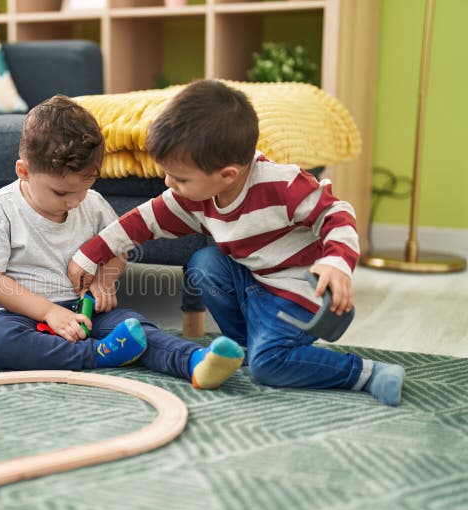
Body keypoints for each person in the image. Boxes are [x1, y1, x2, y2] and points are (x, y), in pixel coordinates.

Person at [68, 80, 406, 406]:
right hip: (252, 282)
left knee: (269, 366)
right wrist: (90, 254)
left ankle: (365, 373)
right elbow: (143, 221)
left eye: (180, 178)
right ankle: (246, 344)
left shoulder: (281, 184)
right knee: (205, 264)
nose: (169, 183)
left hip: (297, 291)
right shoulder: (195, 195)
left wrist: (336, 262)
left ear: (228, 174)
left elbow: (337, 213)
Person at [0, 94, 244, 388]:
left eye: (84, 189)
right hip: (25, 316)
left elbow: (116, 249)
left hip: (88, 309)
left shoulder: (91, 203)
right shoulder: (2, 208)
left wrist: (105, 281)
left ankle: (194, 360)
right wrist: (48, 312)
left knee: (137, 329)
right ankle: (99, 353)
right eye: (61, 193)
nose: (74, 201)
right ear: (24, 171)